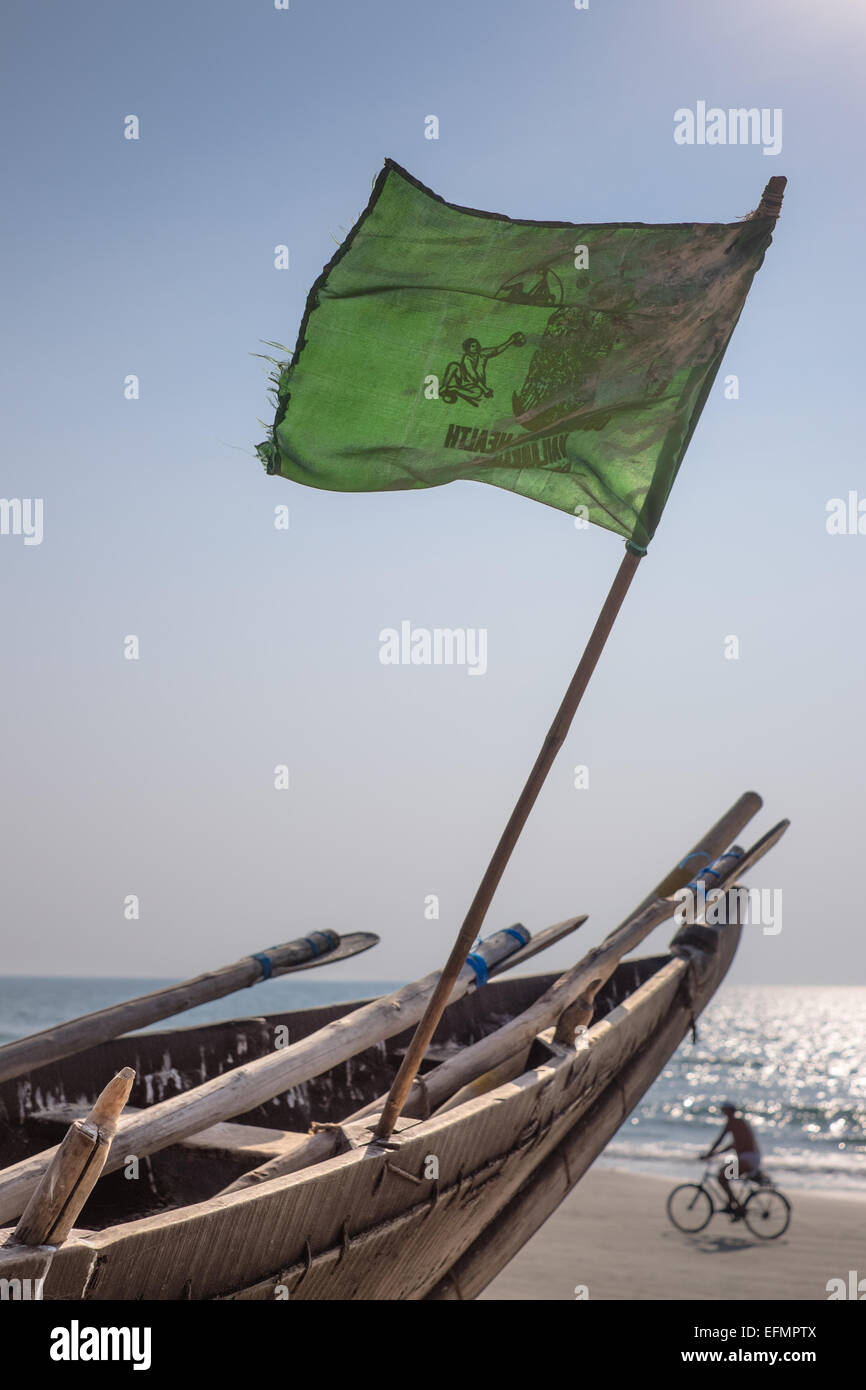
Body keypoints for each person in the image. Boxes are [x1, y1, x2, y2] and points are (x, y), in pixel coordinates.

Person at [701, 1102, 761, 1219]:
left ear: (729, 1111)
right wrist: (715, 1153)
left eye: (724, 1110)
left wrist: (709, 1153)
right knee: (723, 1175)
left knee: (722, 1177)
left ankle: (737, 1206)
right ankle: (731, 1204)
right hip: (750, 1157)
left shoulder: (733, 1122)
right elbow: (734, 1144)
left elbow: (720, 1140)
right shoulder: (740, 1122)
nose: (723, 1112)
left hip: (747, 1158)